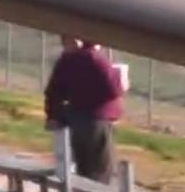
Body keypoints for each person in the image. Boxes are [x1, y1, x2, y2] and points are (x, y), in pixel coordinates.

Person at [43, 36, 124, 184]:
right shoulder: (94, 58)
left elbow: (53, 91)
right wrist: (122, 79)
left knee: (83, 167)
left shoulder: (67, 59)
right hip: (97, 121)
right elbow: (115, 88)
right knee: (99, 169)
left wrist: (52, 114)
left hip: (76, 118)